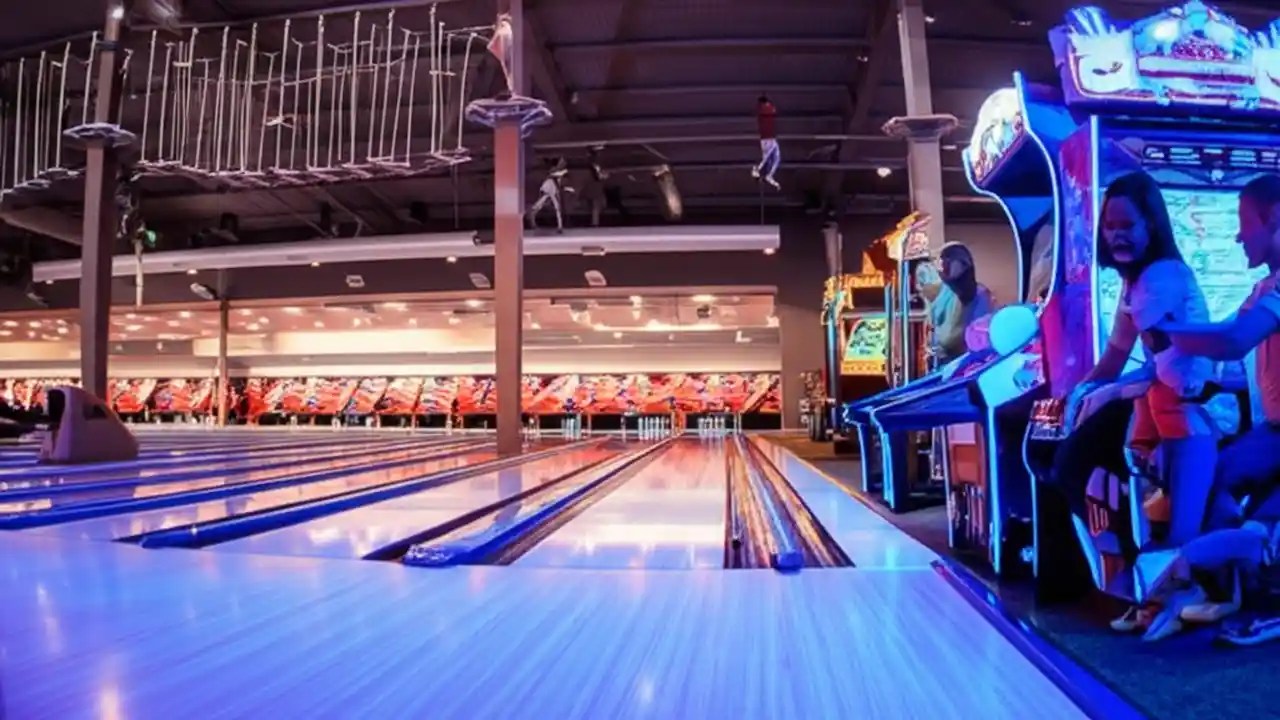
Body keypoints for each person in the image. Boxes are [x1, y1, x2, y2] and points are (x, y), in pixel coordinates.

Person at [1058, 172, 1218, 637]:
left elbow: (1164, 366)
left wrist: (1103, 394)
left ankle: (1166, 596)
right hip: (1160, 411)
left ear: (1152, 223)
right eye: (1110, 225)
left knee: (1180, 531)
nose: (1117, 234)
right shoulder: (1136, 282)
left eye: (1127, 223)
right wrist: (1079, 394)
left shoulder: (1162, 277)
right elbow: (1114, 356)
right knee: (1093, 475)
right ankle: (1145, 592)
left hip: (1187, 413)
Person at [1145, 174, 1280, 643]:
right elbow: (1235, 357)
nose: (1239, 235)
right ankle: (1235, 584)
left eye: (1245, 222)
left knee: (1261, 527)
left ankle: (1267, 594)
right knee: (1212, 476)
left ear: (1276, 217)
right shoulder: (1265, 289)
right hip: (1276, 432)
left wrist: (1167, 328)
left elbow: (1232, 340)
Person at [929, 242, 994, 365]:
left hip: (966, 363)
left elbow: (978, 338)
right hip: (941, 361)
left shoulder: (978, 295)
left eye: (946, 263)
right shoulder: (946, 290)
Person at [751, 96, 780, 190]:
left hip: (769, 137)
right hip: (767, 137)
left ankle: (769, 174)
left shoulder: (760, 111)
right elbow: (773, 110)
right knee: (768, 157)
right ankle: (758, 170)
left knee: (776, 157)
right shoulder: (765, 109)